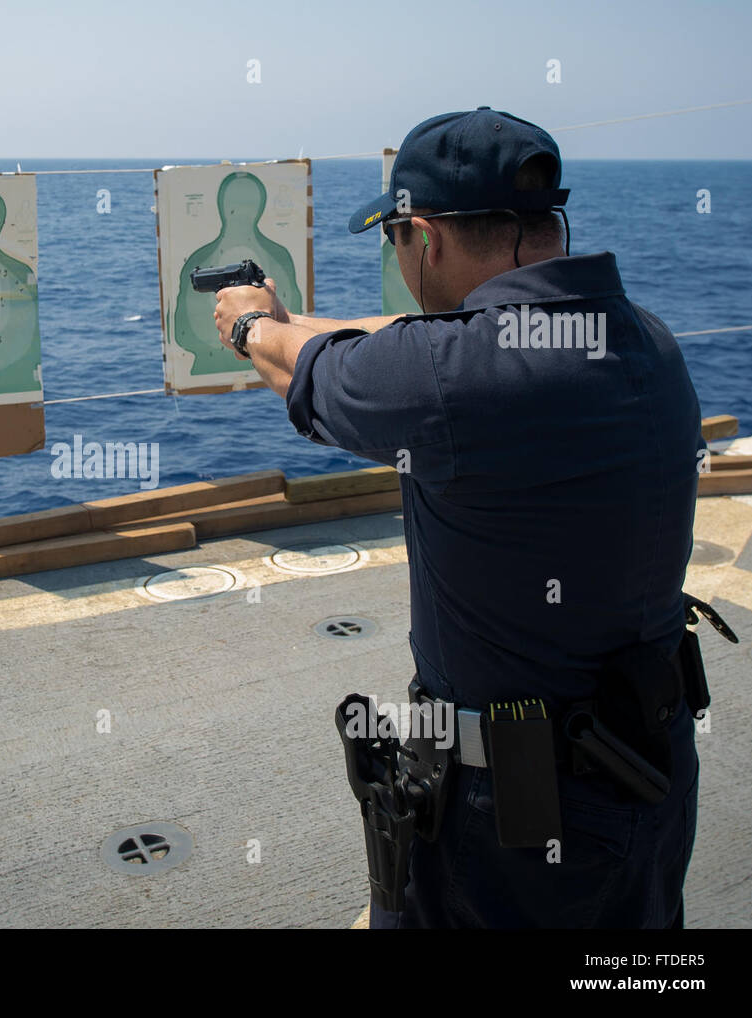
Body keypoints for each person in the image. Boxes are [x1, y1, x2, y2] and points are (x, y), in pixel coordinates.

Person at [213, 107, 704, 928]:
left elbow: (316, 371)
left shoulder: (450, 377)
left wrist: (251, 323)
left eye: (395, 241)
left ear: (426, 237)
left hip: (516, 819)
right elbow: (413, 344)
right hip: (647, 771)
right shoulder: (639, 335)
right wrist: (296, 319)